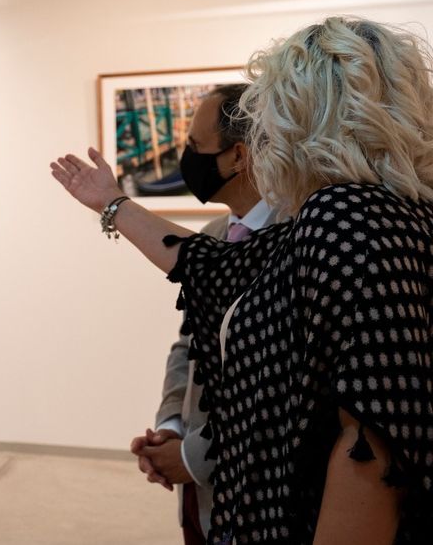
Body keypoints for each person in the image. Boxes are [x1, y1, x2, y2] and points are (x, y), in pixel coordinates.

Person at [51, 18, 433, 544]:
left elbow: (369, 443)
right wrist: (114, 205)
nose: (263, 135)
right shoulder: (368, 216)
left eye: (271, 113)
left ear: (306, 118)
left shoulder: (349, 216)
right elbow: (213, 267)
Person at [128, 84, 278, 545]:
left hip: (255, 495)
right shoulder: (214, 234)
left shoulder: (292, 241)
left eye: (194, 146)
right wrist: (171, 425)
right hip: (200, 495)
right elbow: (187, 344)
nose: (186, 157)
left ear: (238, 156)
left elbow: (271, 384)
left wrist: (193, 457)